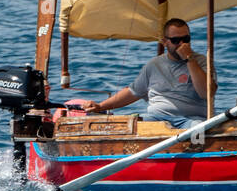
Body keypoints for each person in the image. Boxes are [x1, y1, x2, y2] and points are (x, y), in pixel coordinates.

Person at [66, 18, 213, 129]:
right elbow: (132, 92)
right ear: (165, 42)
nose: (182, 44)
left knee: (199, 130)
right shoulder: (153, 65)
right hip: (156, 119)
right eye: (175, 40)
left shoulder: (201, 62)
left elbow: (206, 93)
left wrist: (189, 59)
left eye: (186, 39)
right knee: (127, 127)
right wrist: (100, 106)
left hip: (190, 120)